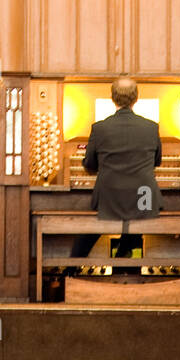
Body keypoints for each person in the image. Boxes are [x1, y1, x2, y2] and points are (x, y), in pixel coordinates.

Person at [69, 77, 163, 267]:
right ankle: (123, 255)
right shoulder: (151, 127)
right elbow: (156, 161)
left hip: (109, 195)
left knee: (99, 219)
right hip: (143, 195)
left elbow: (89, 164)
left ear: (113, 98)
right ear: (136, 98)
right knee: (138, 213)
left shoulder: (100, 128)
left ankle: (72, 266)